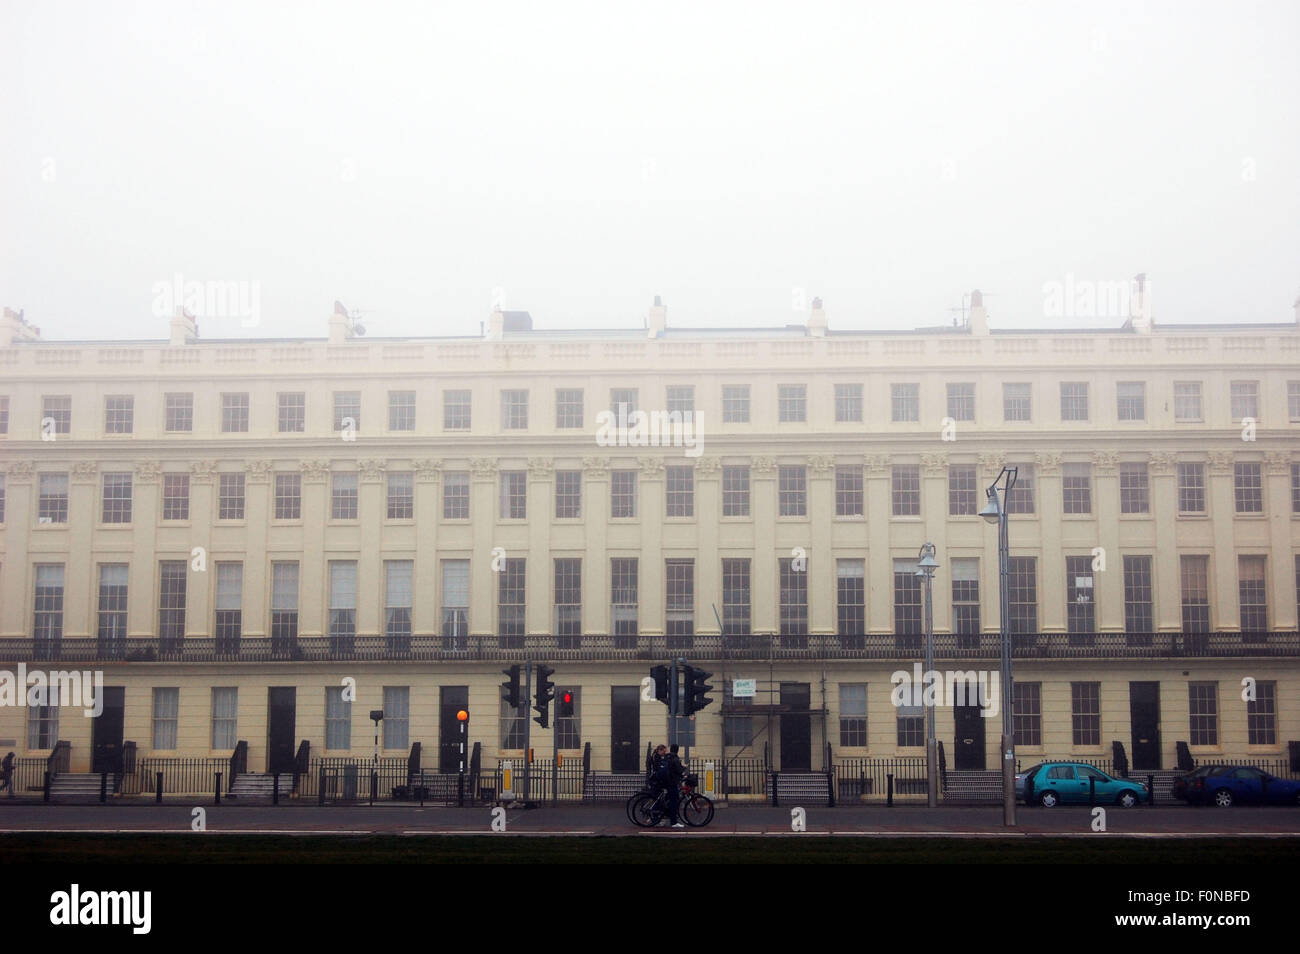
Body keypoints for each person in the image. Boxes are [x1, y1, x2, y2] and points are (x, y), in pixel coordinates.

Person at [663, 744, 686, 828]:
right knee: (674, 801)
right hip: (672, 782)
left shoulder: (667, 757)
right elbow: (679, 770)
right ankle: (674, 822)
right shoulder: (675, 758)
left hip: (665, 781)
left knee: (668, 799)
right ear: (677, 750)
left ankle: (664, 815)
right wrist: (684, 771)